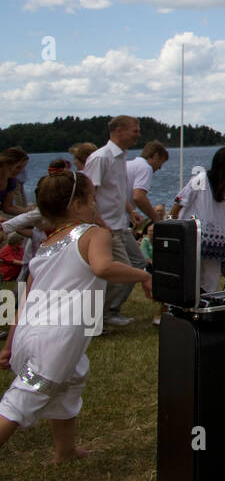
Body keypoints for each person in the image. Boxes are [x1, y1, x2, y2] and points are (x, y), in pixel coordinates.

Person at [0, 170, 152, 462]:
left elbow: (25, 301)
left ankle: (65, 451)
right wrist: (143, 274)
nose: (96, 206)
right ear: (78, 205)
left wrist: (9, 344)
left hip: (33, 334)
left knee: (70, 382)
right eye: (92, 200)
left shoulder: (44, 249)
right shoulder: (95, 234)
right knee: (20, 401)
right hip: (56, 339)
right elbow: (103, 268)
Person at [83, 117, 150, 327]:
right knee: (122, 270)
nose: (138, 134)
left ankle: (109, 311)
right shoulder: (100, 158)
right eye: (135, 130)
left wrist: (130, 211)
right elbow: (89, 195)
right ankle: (98, 317)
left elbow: (117, 192)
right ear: (118, 131)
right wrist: (101, 225)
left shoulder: (121, 158)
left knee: (138, 263)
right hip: (107, 228)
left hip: (120, 224)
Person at [171, 147, 225, 291]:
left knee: (211, 278)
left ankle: (205, 305)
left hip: (216, 241)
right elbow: (180, 202)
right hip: (196, 237)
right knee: (191, 275)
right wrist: (170, 226)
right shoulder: (201, 179)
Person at [125, 140, 168, 237]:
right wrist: (156, 219)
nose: (160, 167)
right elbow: (138, 196)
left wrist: (131, 212)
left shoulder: (128, 164)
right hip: (119, 223)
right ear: (156, 156)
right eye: (161, 162)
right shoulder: (145, 167)